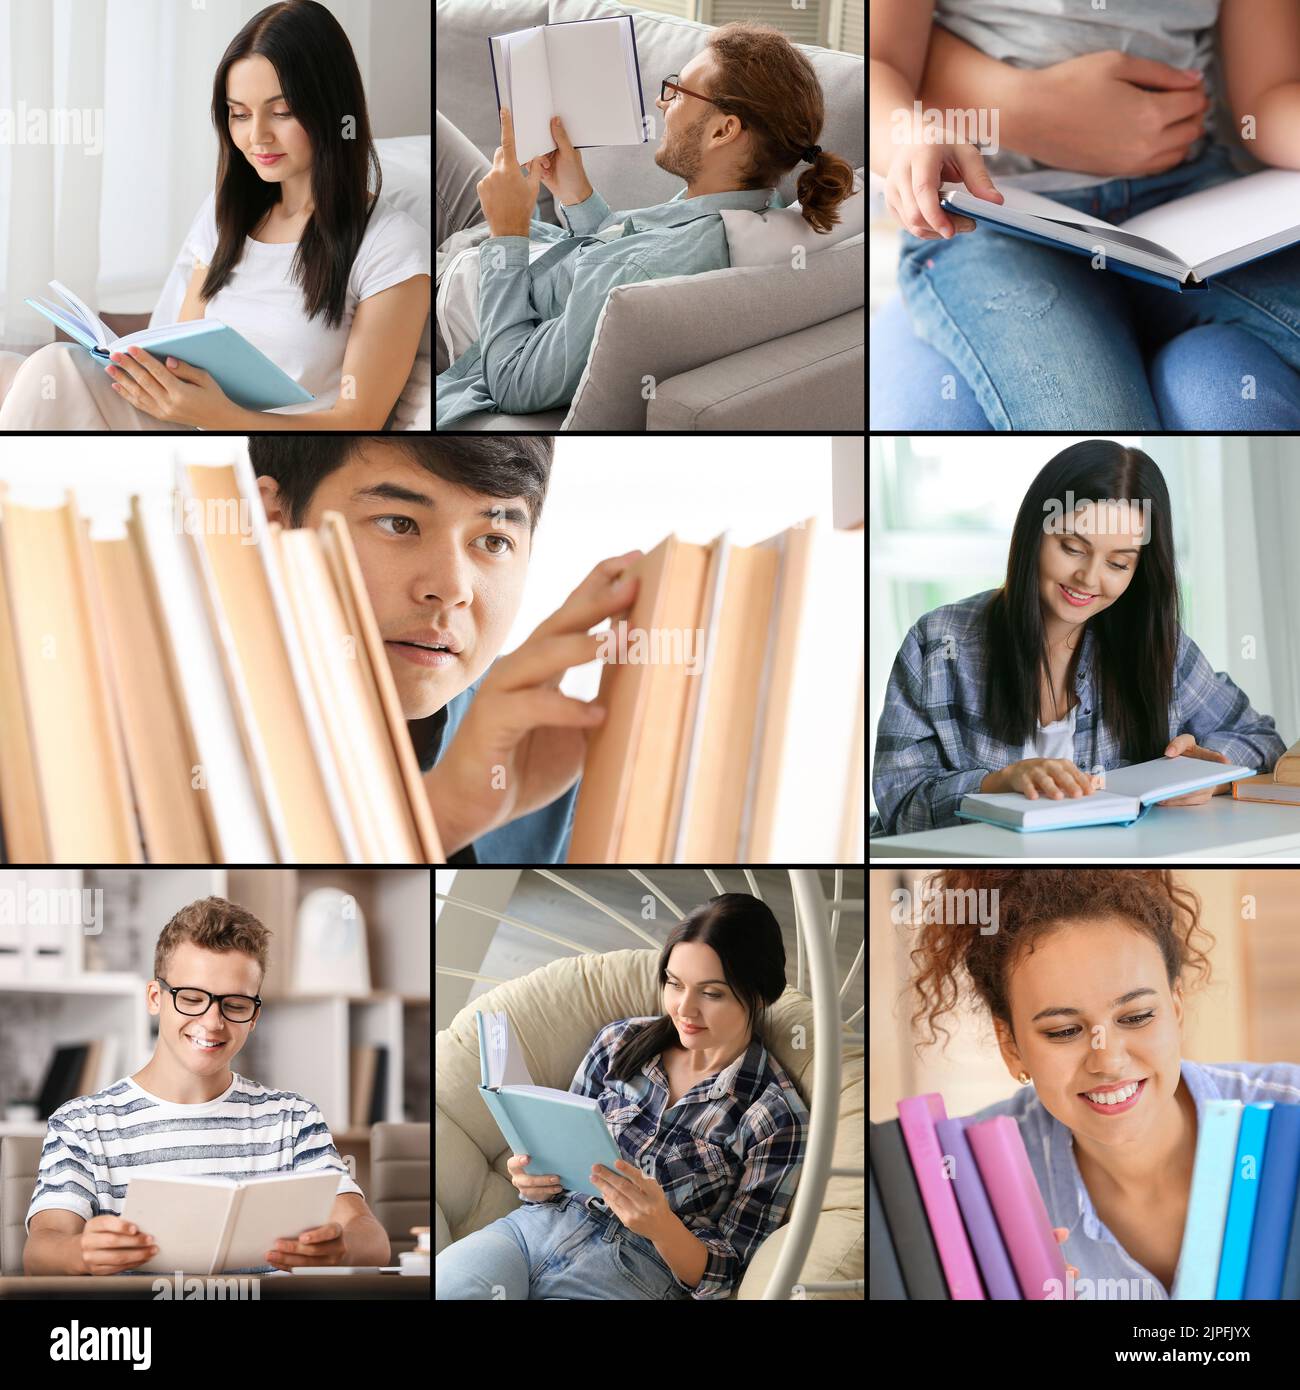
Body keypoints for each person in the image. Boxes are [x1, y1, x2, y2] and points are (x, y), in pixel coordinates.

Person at [869, 0, 1300, 429]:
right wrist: (909, 141)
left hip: (1193, 195)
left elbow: (1266, 96)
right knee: (1093, 422)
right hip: (994, 214)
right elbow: (877, 63)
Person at [0, 0, 429, 431]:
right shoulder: (227, 216)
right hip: (188, 423)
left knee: (50, 372)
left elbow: (360, 418)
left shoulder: (390, 243)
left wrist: (224, 416)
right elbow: (181, 350)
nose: (256, 135)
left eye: (281, 112)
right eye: (239, 114)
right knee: (47, 366)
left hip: (274, 447)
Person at [436, 21, 855, 424]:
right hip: (515, 248)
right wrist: (577, 196)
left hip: (455, 292)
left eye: (677, 93)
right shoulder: (742, 212)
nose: (662, 103)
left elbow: (514, 381)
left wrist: (508, 233)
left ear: (723, 130)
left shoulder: (646, 269)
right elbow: (611, 259)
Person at [910, 869, 1300, 1298]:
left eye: (1135, 1017)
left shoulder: (1290, 1109)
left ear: (1176, 1009)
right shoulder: (960, 1183)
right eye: (1062, 1031)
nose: (1108, 1061)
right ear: (1011, 1047)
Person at [250, 435, 631, 864]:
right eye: (398, 523)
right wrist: (445, 814)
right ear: (273, 521)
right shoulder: (183, 740)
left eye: (494, 541)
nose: (452, 589)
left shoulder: (548, 751)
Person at [872, 441, 1284, 835]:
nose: (1088, 578)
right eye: (1072, 547)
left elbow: (1263, 740)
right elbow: (899, 805)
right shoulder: (941, 645)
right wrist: (996, 784)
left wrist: (1208, 775)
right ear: (1035, 532)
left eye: (1119, 563)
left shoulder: (1157, 646)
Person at [435, 894, 807, 1300]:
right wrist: (532, 1178)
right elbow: (561, 1153)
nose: (684, 1008)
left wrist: (662, 1226)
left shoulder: (774, 1116)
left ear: (759, 994)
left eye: (711, 993)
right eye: (674, 983)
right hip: (534, 1230)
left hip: (636, 1272)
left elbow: (729, 1271)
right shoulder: (620, 1041)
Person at [23, 897, 390, 1275]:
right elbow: (41, 1249)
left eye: (234, 1005)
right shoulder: (81, 1124)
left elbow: (372, 1239)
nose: (212, 1022)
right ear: (155, 998)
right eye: (193, 999)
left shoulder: (294, 1120)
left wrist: (340, 1248)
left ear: (254, 1016)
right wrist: (81, 1251)